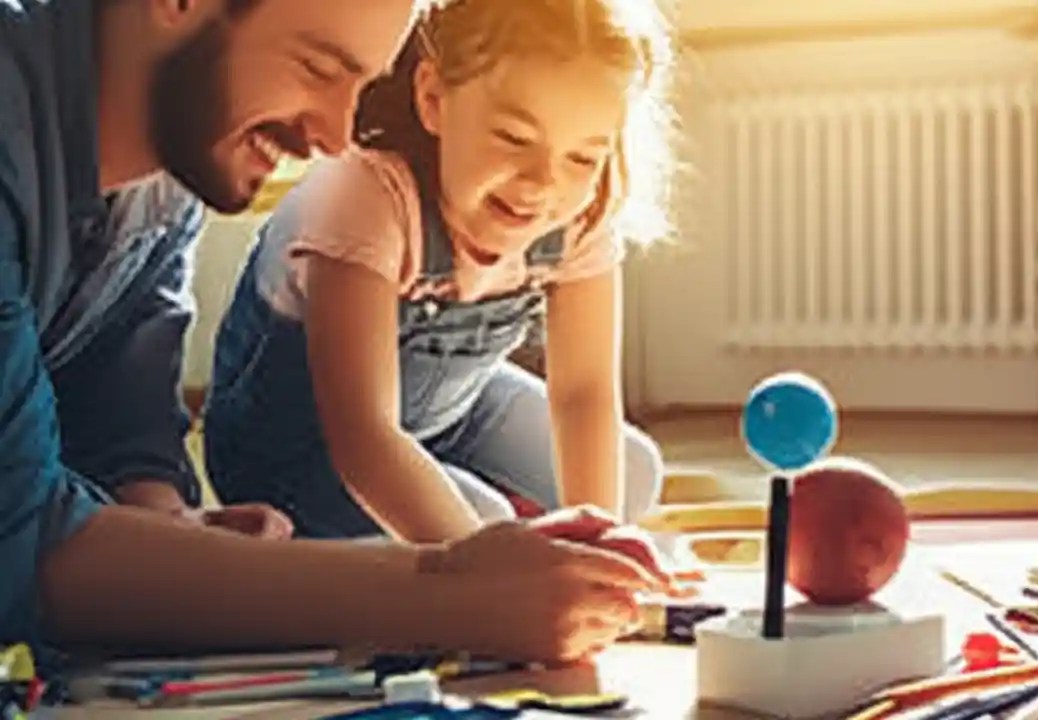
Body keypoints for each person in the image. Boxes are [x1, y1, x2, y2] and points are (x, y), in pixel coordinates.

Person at [1, 0, 672, 667]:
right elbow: (22, 543)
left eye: (361, 86)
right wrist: (452, 595)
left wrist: (167, 519)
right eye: (319, 66)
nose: (335, 136)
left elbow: (123, 416)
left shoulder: (170, 176)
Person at [201, 0, 677, 543]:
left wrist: (599, 543)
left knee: (633, 475)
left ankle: (472, 506)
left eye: (583, 158)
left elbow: (584, 392)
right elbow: (365, 439)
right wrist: (487, 568)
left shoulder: (579, 212)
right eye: (515, 139)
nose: (542, 183)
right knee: (486, 525)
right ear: (433, 100)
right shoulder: (364, 195)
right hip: (305, 451)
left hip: (448, 418)